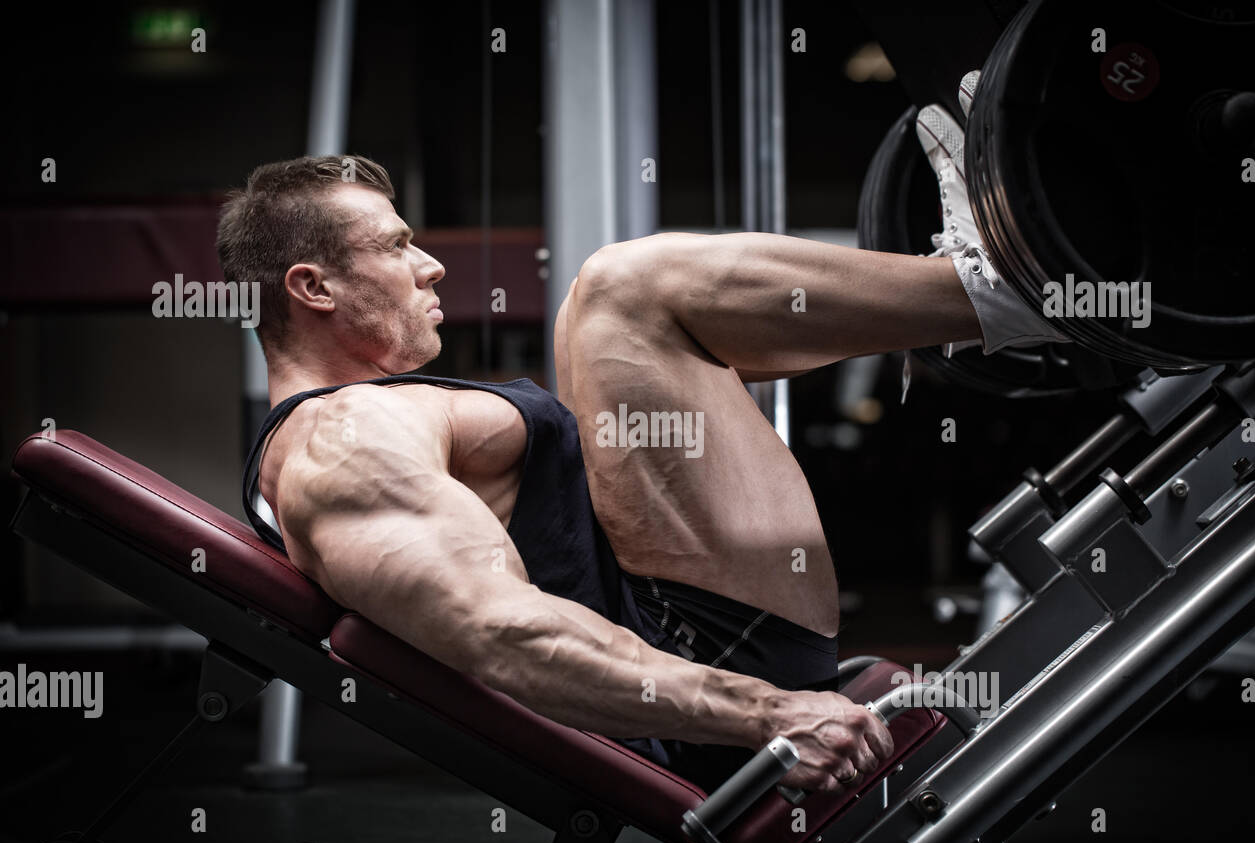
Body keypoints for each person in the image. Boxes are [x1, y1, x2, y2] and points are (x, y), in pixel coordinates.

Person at [228, 74, 1062, 793]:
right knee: (620, 291)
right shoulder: (337, 444)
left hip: (695, 648)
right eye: (398, 245)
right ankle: (994, 294)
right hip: (702, 685)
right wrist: (765, 712)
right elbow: (499, 630)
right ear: (314, 287)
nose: (431, 266)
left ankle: (970, 309)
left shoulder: (366, 420)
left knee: (633, 321)